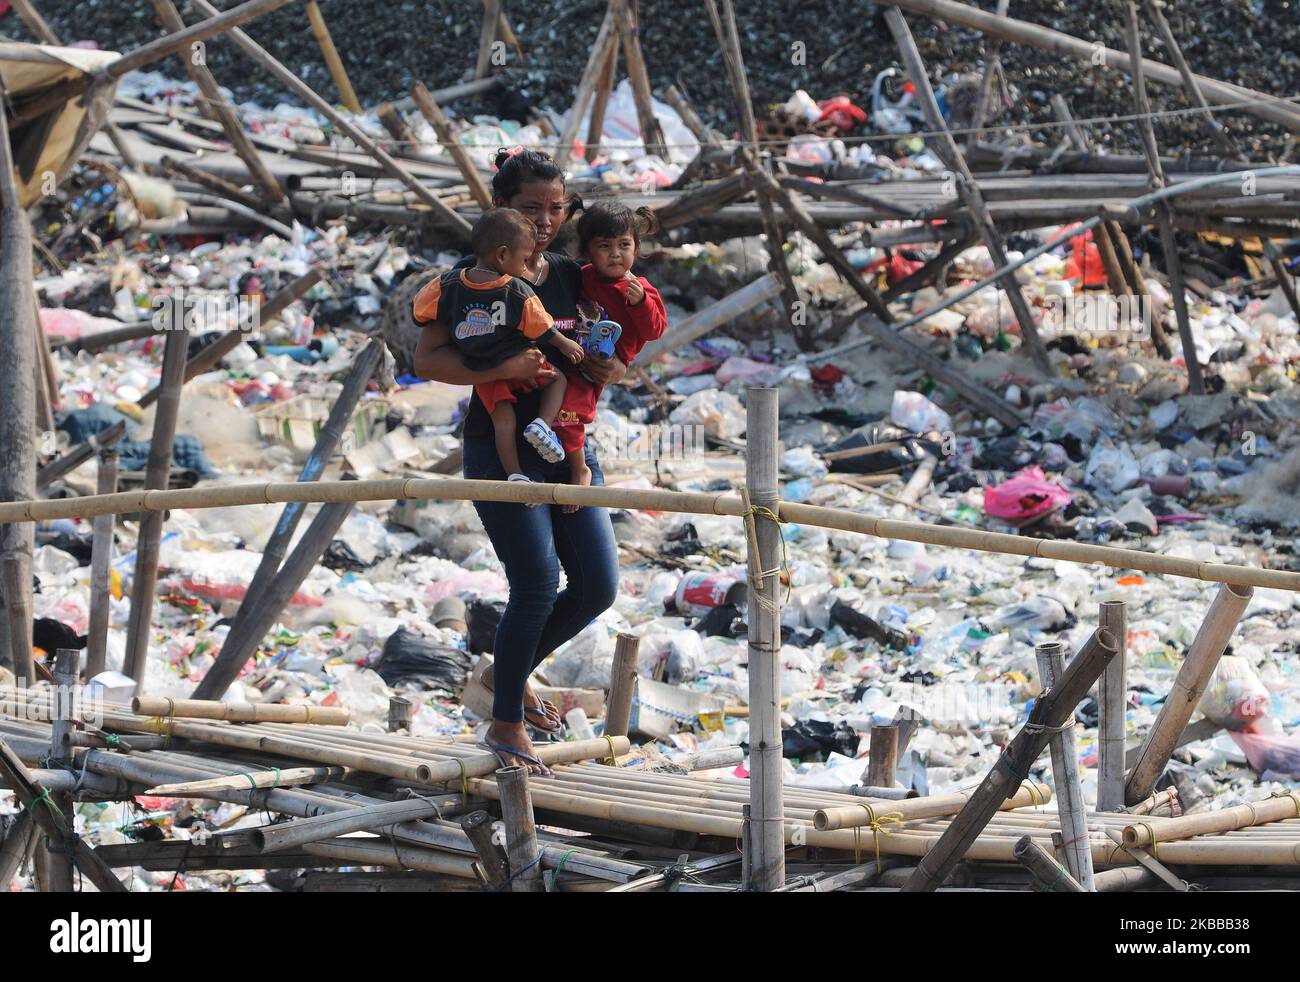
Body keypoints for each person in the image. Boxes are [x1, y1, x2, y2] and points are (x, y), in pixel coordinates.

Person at [412, 148, 624, 775]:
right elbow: (427, 361)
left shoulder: (569, 274)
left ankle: (503, 675)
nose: (545, 221)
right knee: (535, 582)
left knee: (596, 585)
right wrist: (504, 368)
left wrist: (609, 364)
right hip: (497, 447)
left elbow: (600, 349)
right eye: (531, 208)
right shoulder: (469, 280)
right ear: (502, 206)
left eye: (556, 209)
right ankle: (505, 724)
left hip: (566, 444)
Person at [413, 208, 585, 483]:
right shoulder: (514, 289)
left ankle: (515, 474)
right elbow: (541, 325)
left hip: (478, 367)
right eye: (523, 259)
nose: (525, 265)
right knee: (557, 379)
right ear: (503, 255)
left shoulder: (449, 284)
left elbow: (421, 307)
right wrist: (565, 344)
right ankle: (543, 423)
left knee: (503, 423)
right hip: (520, 359)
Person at [551, 201, 668, 490]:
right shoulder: (583, 276)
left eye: (624, 245)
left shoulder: (638, 286)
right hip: (575, 352)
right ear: (588, 250)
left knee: (570, 411)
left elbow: (655, 330)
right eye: (605, 246)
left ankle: (579, 470)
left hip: (601, 365)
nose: (615, 254)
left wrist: (640, 302)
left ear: (636, 248)